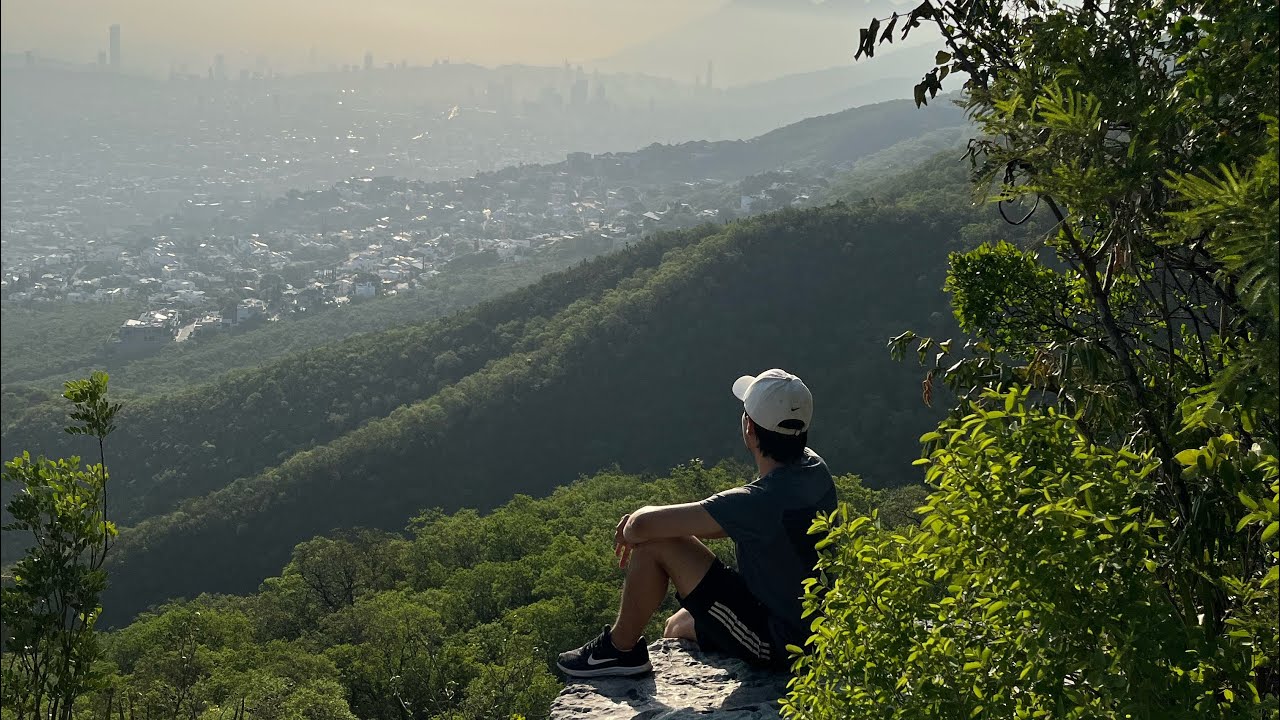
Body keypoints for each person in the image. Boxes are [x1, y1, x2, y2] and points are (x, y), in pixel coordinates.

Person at [557, 369, 837, 677]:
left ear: (749, 429)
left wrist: (633, 525)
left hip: (782, 643)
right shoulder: (814, 468)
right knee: (677, 625)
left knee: (656, 543)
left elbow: (641, 527)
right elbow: (728, 525)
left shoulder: (757, 500)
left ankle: (618, 650)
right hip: (801, 618)